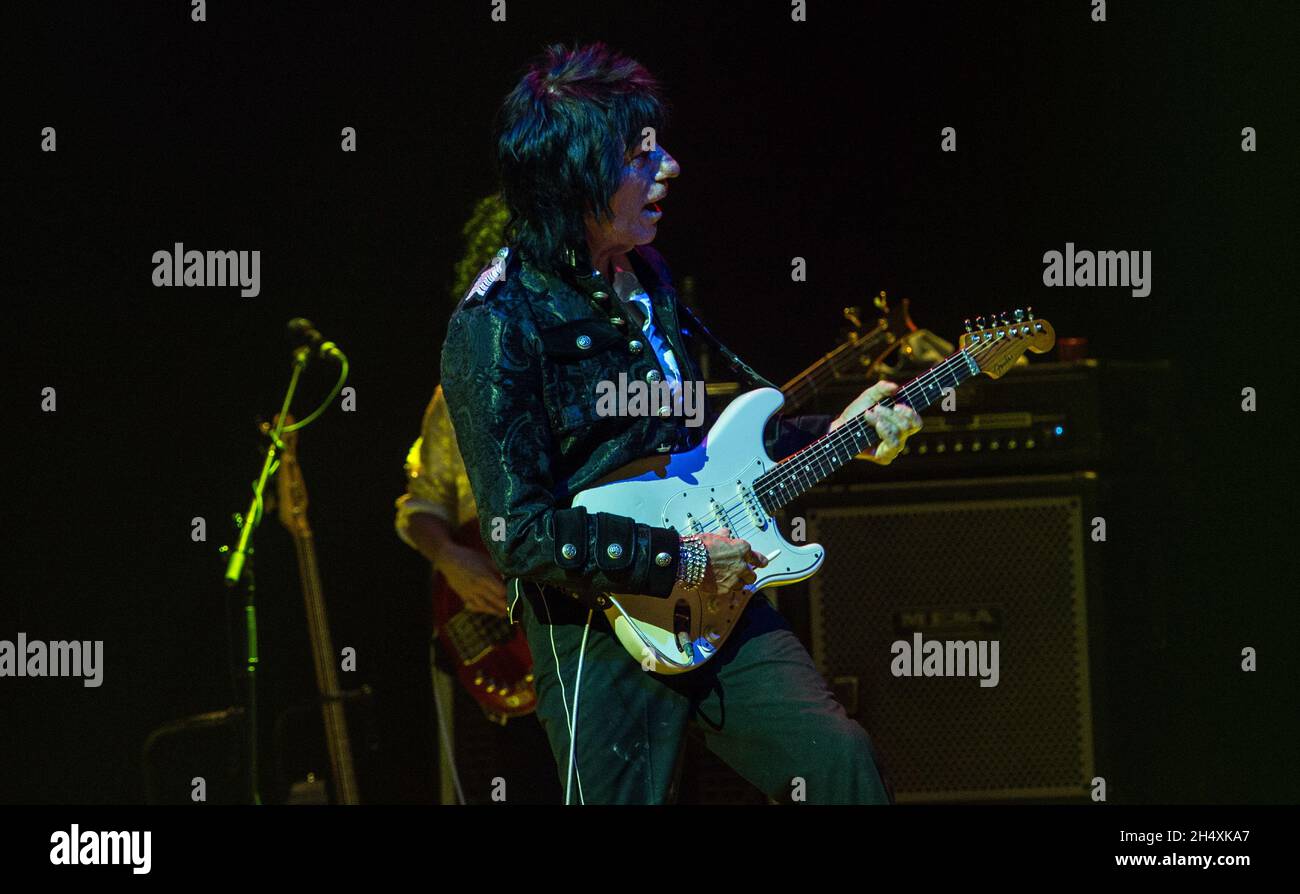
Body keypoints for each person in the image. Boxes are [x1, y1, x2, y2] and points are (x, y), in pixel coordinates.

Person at [440, 43, 921, 804]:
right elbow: (521, 535)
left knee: (838, 759)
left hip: (717, 605)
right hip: (595, 631)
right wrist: (682, 561)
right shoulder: (497, 323)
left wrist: (840, 431)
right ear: (578, 175)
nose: (669, 167)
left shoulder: (649, 275)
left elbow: (697, 458)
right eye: (642, 155)